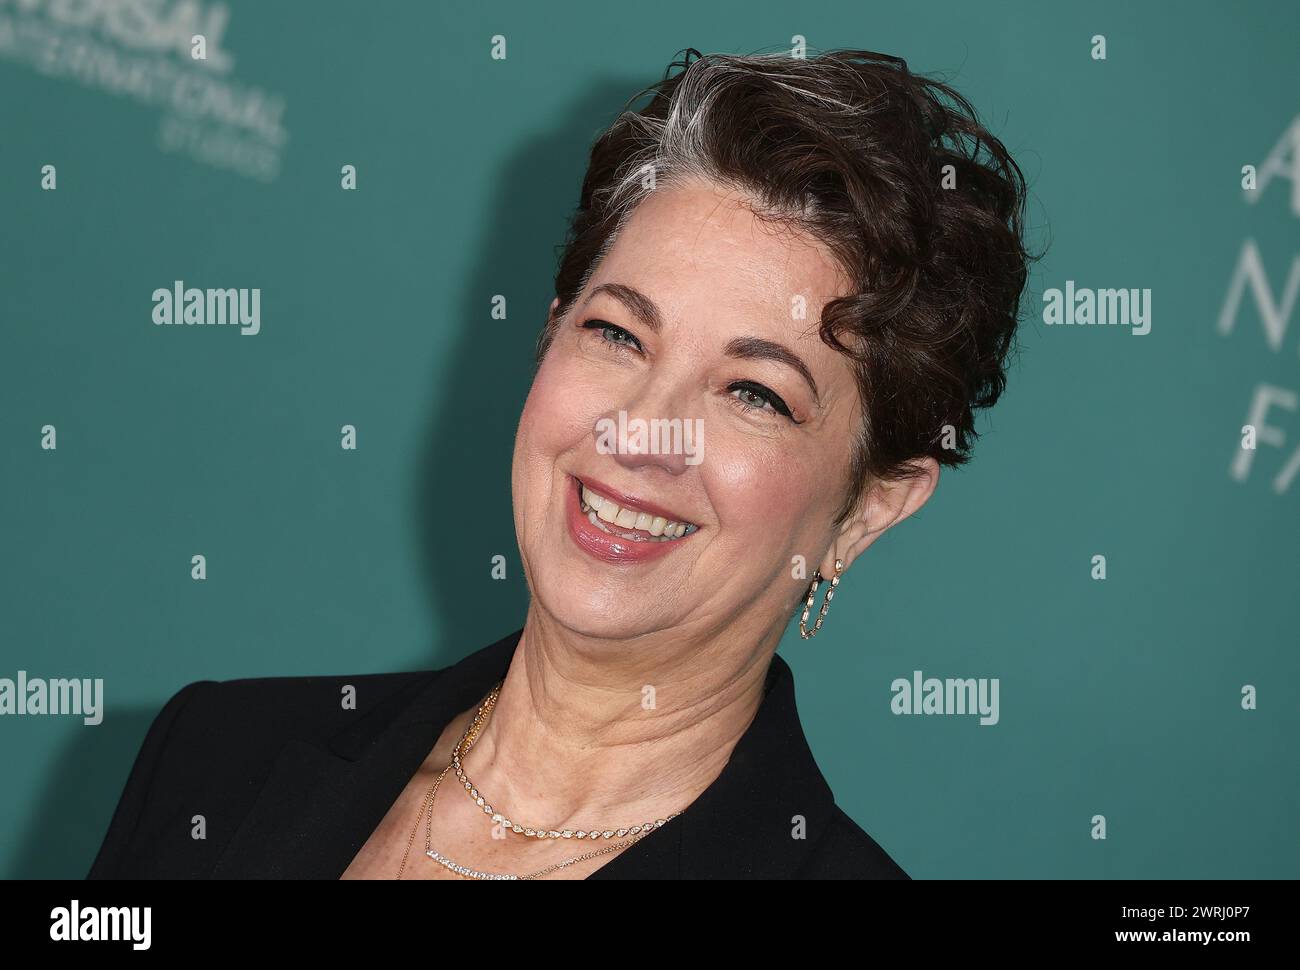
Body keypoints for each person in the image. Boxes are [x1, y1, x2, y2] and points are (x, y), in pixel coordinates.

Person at [88, 47, 1033, 880]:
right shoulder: (213, 761)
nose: (639, 432)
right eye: (618, 333)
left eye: (753, 393)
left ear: (869, 507)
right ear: (548, 335)